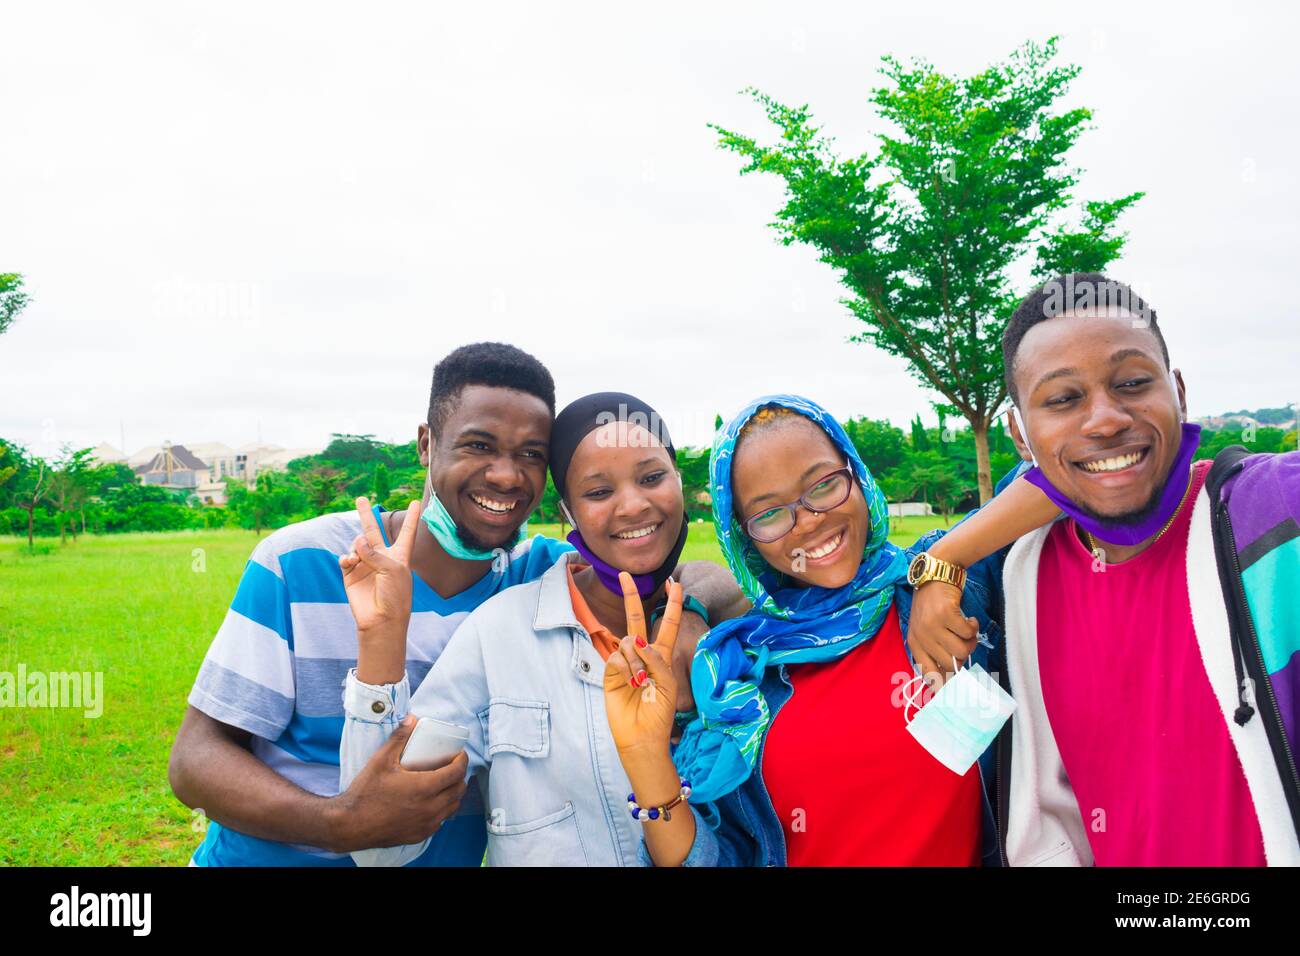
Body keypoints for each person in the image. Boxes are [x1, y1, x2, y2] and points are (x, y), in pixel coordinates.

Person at [604, 394, 1061, 866]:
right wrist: (645, 757)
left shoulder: (942, 594)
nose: (808, 522)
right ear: (743, 537)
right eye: (769, 513)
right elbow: (716, 859)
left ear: (856, 474)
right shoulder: (738, 676)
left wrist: (943, 562)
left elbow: (1074, 469)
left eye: (823, 485)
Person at [170, 343, 577, 865]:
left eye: (531, 454)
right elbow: (196, 759)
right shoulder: (303, 562)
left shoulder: (544, 579)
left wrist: (704, 604)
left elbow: (680, 579)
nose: (506, 475)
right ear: (427, 444)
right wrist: (340, 824)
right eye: (479, 446)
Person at [335, 393, 748, 865]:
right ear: (567, 511)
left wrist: (693, 610)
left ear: (679, 480)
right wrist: (381, 638)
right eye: (598, 492)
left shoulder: (733, 631)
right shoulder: (498, 637)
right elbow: (380, 848)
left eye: (652, 477)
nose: (633, 506)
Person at [993, 272, 1300, 866]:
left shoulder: (1268, 516)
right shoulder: (1022, 573)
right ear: (1018, 434)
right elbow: (1050, 814)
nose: (1105, 419)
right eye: (1062, 399)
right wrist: (941, 566)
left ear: (1178, 392)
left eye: (1133, 383)